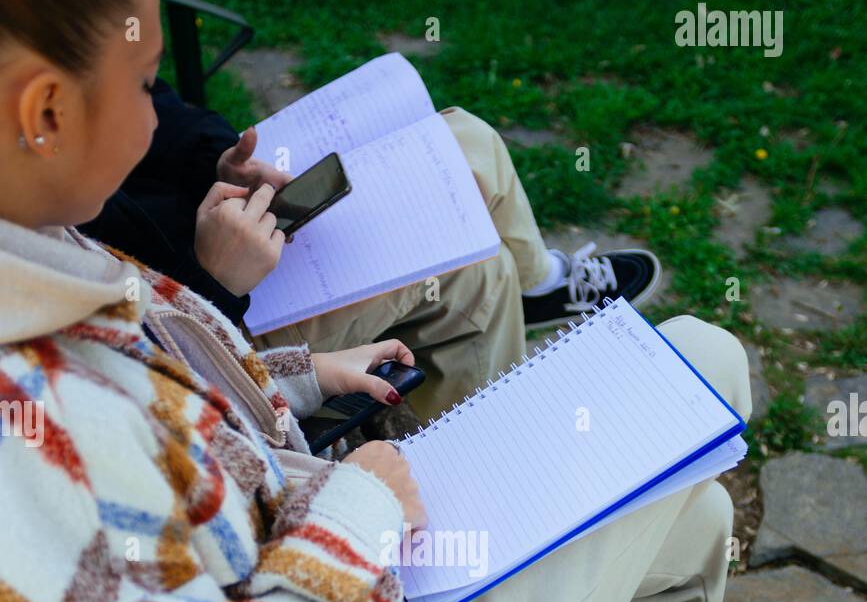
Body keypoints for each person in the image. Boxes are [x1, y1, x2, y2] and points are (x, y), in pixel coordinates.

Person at [0, 0, 767, 602]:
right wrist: (356, 515)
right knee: (705, 362)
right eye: (146, 84)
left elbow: (156, 415)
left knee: (699, 511)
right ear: (44, 111)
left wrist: (294, 379)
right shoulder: (23, 420)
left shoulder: (37, 252)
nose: (159, 108)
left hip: (330, 553)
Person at [80, 84, 662, 422]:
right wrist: (214, 282)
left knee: (465, 136)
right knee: (480, 268)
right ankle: (486, 466)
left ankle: (537, 289)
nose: (141, 101)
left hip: (228, 233)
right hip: (214, 316)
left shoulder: (55, 40)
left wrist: (216, 159)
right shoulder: (36, 233)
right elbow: (139, 367)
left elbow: (162, 108)